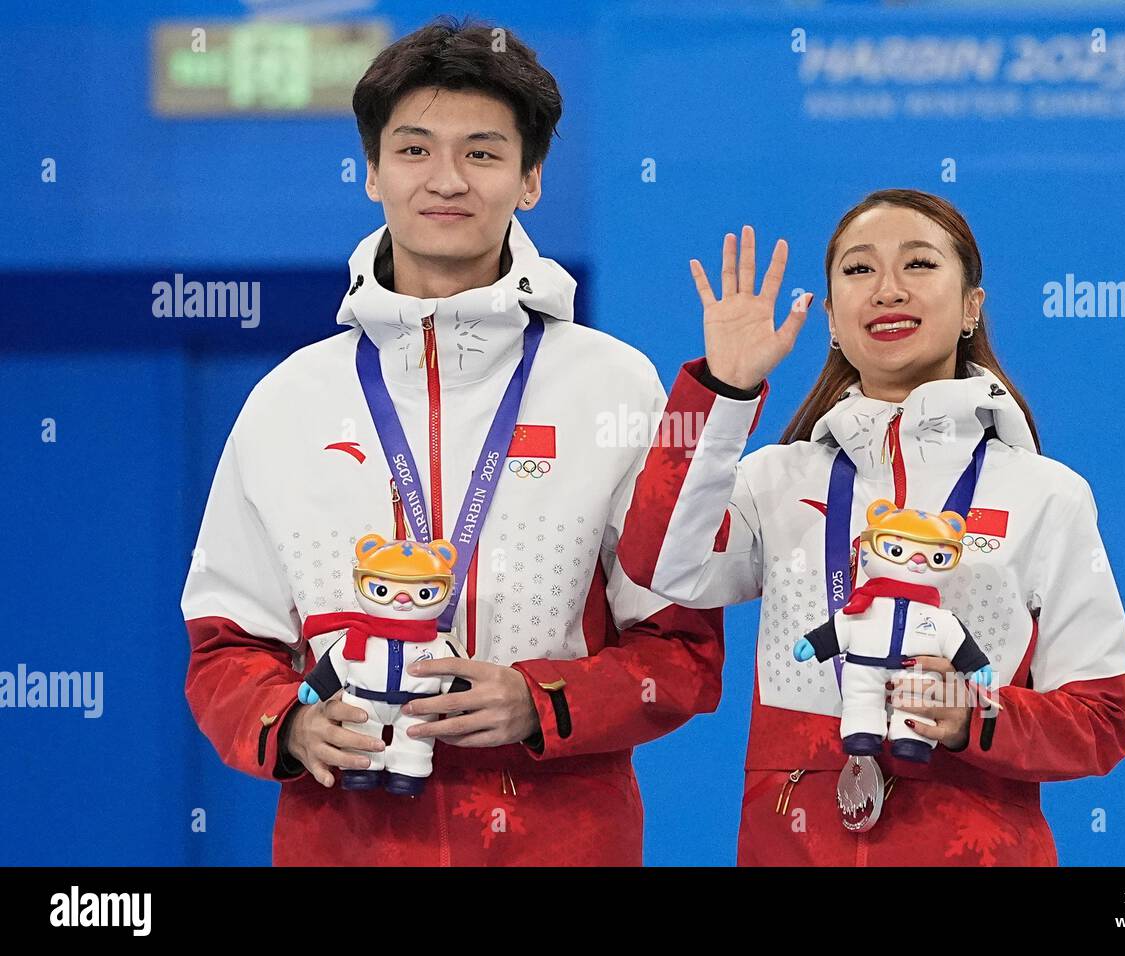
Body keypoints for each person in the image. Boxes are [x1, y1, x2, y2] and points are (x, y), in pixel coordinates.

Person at [180, 17, 723, 867]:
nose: (445, 180)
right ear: (371, 174)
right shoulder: (289, 399)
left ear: (530, 178)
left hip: (561, 840)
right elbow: (224, 644)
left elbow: (680, 649)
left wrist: (539, 701)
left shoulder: (613, 386)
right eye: (414, 150)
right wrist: (288, 723)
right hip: (346, 838)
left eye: (480, 152)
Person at [619, 188, 1125, 865]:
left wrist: (975, 716)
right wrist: (725, 388)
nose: (887, 290)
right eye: (859, 270)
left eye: (918, 264)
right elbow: (658, 563)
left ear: (972, 305)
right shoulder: (776, 480)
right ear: (831, 316)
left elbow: (1101, 722)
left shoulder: (1048, 494)